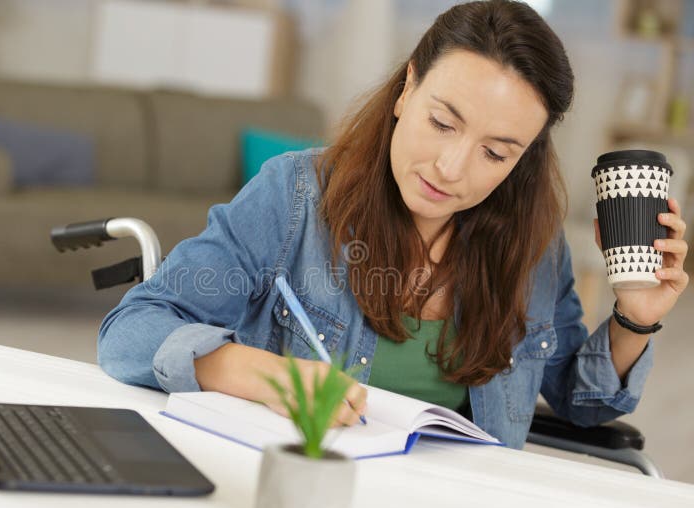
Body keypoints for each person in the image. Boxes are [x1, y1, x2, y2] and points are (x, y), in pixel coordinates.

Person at [97, 0, 689, 449]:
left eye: (496, 153)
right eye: (443, 122)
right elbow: (130, 332)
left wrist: (634, 317)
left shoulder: (533, 249)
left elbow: (579, 403)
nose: (450, 169)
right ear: (408, 88)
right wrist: (258, 372)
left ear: (523, 158)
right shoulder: (295, 195)